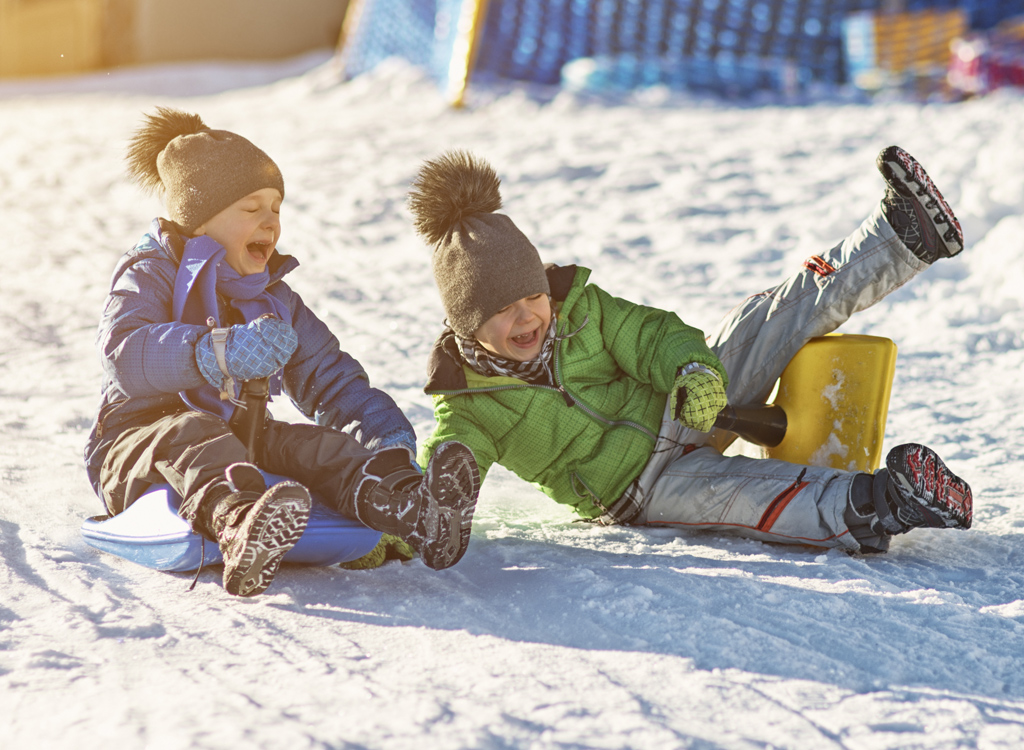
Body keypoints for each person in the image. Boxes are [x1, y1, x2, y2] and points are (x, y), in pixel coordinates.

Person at [409, 146, 972, 555]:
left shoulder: (582, 310)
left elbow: (653, 335)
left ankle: (900, 237)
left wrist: (694, 369)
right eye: (505, 308)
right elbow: (446, 470)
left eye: (533, 294)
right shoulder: (470, 406)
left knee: (763, 317)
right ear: (469, 322)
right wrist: (406, 521)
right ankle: (881, 503)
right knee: (744, 497)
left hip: (679, 404)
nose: (529, 313)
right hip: (641, 490)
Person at [84, 108, 480, 597]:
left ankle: (405, 505)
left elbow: (331, 380)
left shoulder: (270, 299)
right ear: (200, 218)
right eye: (251, 208)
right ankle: (240, 522)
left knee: (315, 447)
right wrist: (216, 354)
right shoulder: (150, 272)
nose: (270, 221)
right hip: (137, 448)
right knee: (194, 432)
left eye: (276, 208)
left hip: (240, 438)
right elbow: (124, 355)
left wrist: (388, 443)